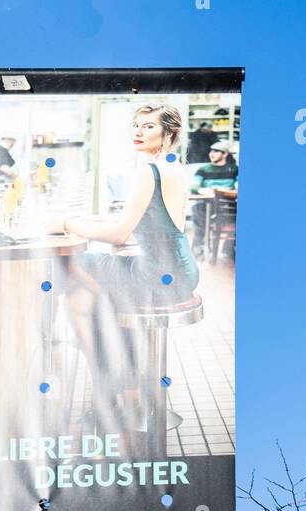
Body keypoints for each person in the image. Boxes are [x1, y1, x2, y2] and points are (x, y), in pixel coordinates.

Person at [49, 103, 200, 427]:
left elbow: (119, 233)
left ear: (169, 132)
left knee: (74, 266)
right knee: (84, 297)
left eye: (148, 126)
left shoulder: (150, 171)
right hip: (180, 270)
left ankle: (109, 382)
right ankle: (121, 384)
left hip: (158, 277)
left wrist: (66, 221)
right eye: (135, 125)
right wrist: (86, 222)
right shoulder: (173, 167)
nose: (138, 131)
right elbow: (147, 225)